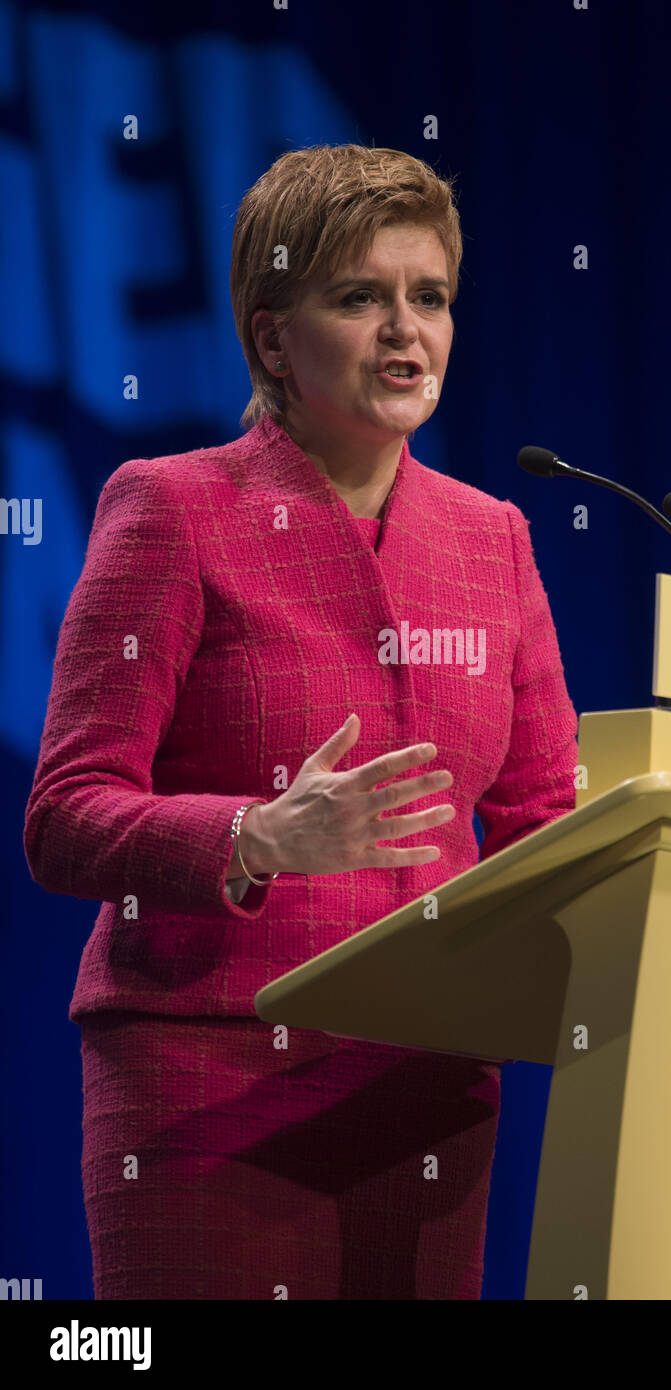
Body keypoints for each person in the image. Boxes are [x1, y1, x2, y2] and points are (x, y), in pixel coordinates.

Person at [23, 143, 578, 1300]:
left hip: (425, 1092)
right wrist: (254, 839)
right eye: (358, 296)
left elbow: (540, 820)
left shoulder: (495, 541)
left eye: (427, 297)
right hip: (207, 1083)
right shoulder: (171, 510)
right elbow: (65, 816)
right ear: (273, 338)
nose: (403, 330)